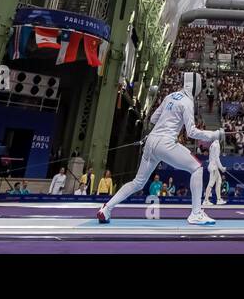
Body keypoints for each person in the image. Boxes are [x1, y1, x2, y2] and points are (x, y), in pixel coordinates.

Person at [97, 72, 220, 226]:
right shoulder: (188, 102)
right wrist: (214, 134)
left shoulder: (170, 96)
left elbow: (154, 118)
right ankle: (196, 213)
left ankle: (106, 208)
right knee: (197, 168)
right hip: (165, 143)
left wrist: (168, 122)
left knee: (138, 182)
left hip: (151, 142)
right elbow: (192, 132)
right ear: (196, 86)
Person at [203, 135, 226, 206]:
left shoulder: (212, 144)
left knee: (219, 181)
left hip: (213, 166)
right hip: (213, 167)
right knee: (211, 183)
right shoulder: (217, 145)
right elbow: (217, 158)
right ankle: (206, 200)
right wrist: (221, 168)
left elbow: (212, 158)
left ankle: (219, 199)